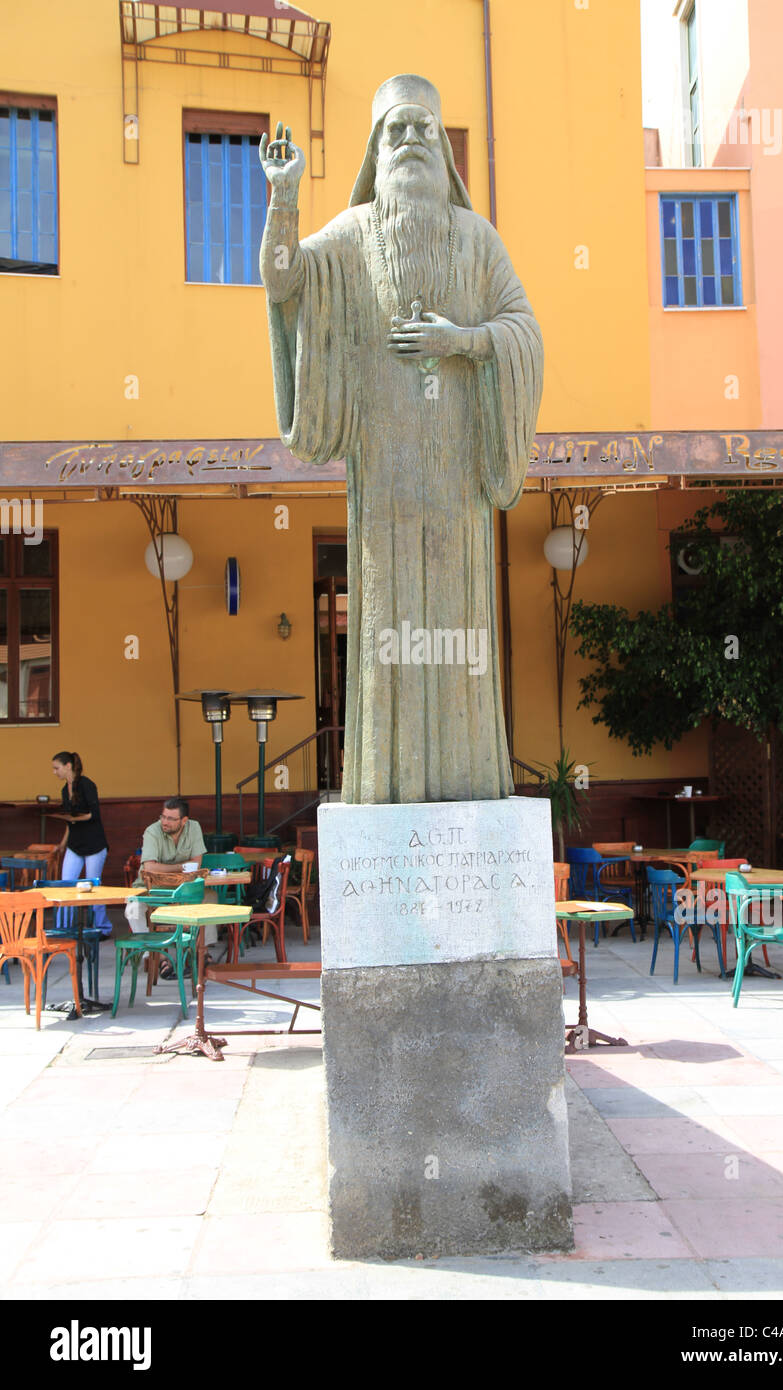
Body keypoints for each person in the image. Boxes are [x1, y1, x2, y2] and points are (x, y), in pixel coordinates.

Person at [260, 74, 543, 804]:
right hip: (383, 483)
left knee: (461, 643)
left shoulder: (477, 240)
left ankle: (468, 780)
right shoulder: (352, 238)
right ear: (376, 152)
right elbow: (286, 280)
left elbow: (524, 332)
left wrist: (465, 340)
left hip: (456, 491)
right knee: (387, 631)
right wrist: (284, 196)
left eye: (425, 128)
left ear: (445, 154)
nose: (412, 139)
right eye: (398, 129)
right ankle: (387, 784)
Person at [125, 798, 207, 943]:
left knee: (210, 898)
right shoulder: (152, 831)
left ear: (184, 820)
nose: (164, 822)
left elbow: (197, 863)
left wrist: (164, 868)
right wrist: (182, 867)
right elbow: (150, 867)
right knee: (132, 908)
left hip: (184, 889)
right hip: (151, 889)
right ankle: (152, 952)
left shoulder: (194, 827)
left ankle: (200, 950)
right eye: (163, 816)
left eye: (170, 818)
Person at [51, 751, 111, 934]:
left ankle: (101, 928)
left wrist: (75, 818)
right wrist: (62, 844)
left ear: (68, 766)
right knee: (66, 885)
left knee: (93, 887)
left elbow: (93, 814)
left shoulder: (86, 784)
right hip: (74, 845)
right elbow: (70, 821)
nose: (55, 772)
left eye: (56, 768)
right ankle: (63, 928)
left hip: (94, 844)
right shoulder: (64, 790)